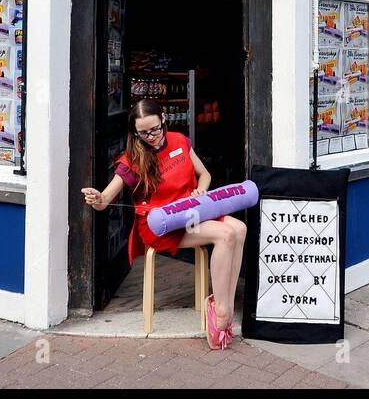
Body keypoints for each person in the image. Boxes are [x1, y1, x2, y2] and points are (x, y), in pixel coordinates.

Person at [82, 99, 247, 348]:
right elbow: (105, 200)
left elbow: (205, 175)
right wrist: (97, 199)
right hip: (161, 226)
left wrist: (200, 192)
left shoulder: (180, 141)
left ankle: (225, 303)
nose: (151, 136)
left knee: (240, 228)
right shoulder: (131, 160)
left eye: (155, 129)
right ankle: (221, 312)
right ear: (135, 133)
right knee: (225, 235)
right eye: (144, 132)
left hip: (192, 213)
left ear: (164, 120)